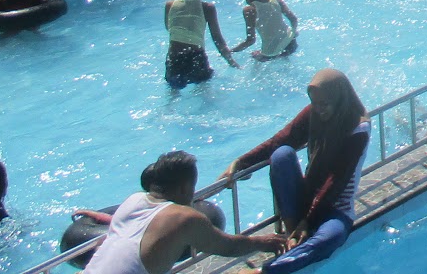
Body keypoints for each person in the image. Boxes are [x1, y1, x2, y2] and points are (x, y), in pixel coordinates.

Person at [223, 69, 370, 273]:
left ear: (339, 99)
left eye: (324, 104)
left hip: (334, 208)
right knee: (281, 154)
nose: (319, 110)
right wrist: (241, 162)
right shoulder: (313, 114)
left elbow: (335, 182)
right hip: (306, 199)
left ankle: (266, 270)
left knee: (330, 239)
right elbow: (280, 140)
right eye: (315, 103)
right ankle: (292, 236)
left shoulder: (358, 130)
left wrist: (307, 222)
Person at [81, 150, 283, 274]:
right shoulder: (185, 218)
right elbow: (227, 246)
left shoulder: (133, 200)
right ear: (185, 188)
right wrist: (264, 242)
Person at [165, 0, 238, 89]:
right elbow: (217, 38)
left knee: (173, 93)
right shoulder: (207, 8)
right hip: (196, 58)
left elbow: (170, 28)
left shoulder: (169, 5)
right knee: (204, 90)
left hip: (174, 58)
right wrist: (231, 62)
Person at [234, 0, 300, 61]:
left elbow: (251, 40)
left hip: (272, 53)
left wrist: (232, 51)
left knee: (255, 58)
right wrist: (293, 33)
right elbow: (294, 19)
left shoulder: (250, 10)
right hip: (291, 44)